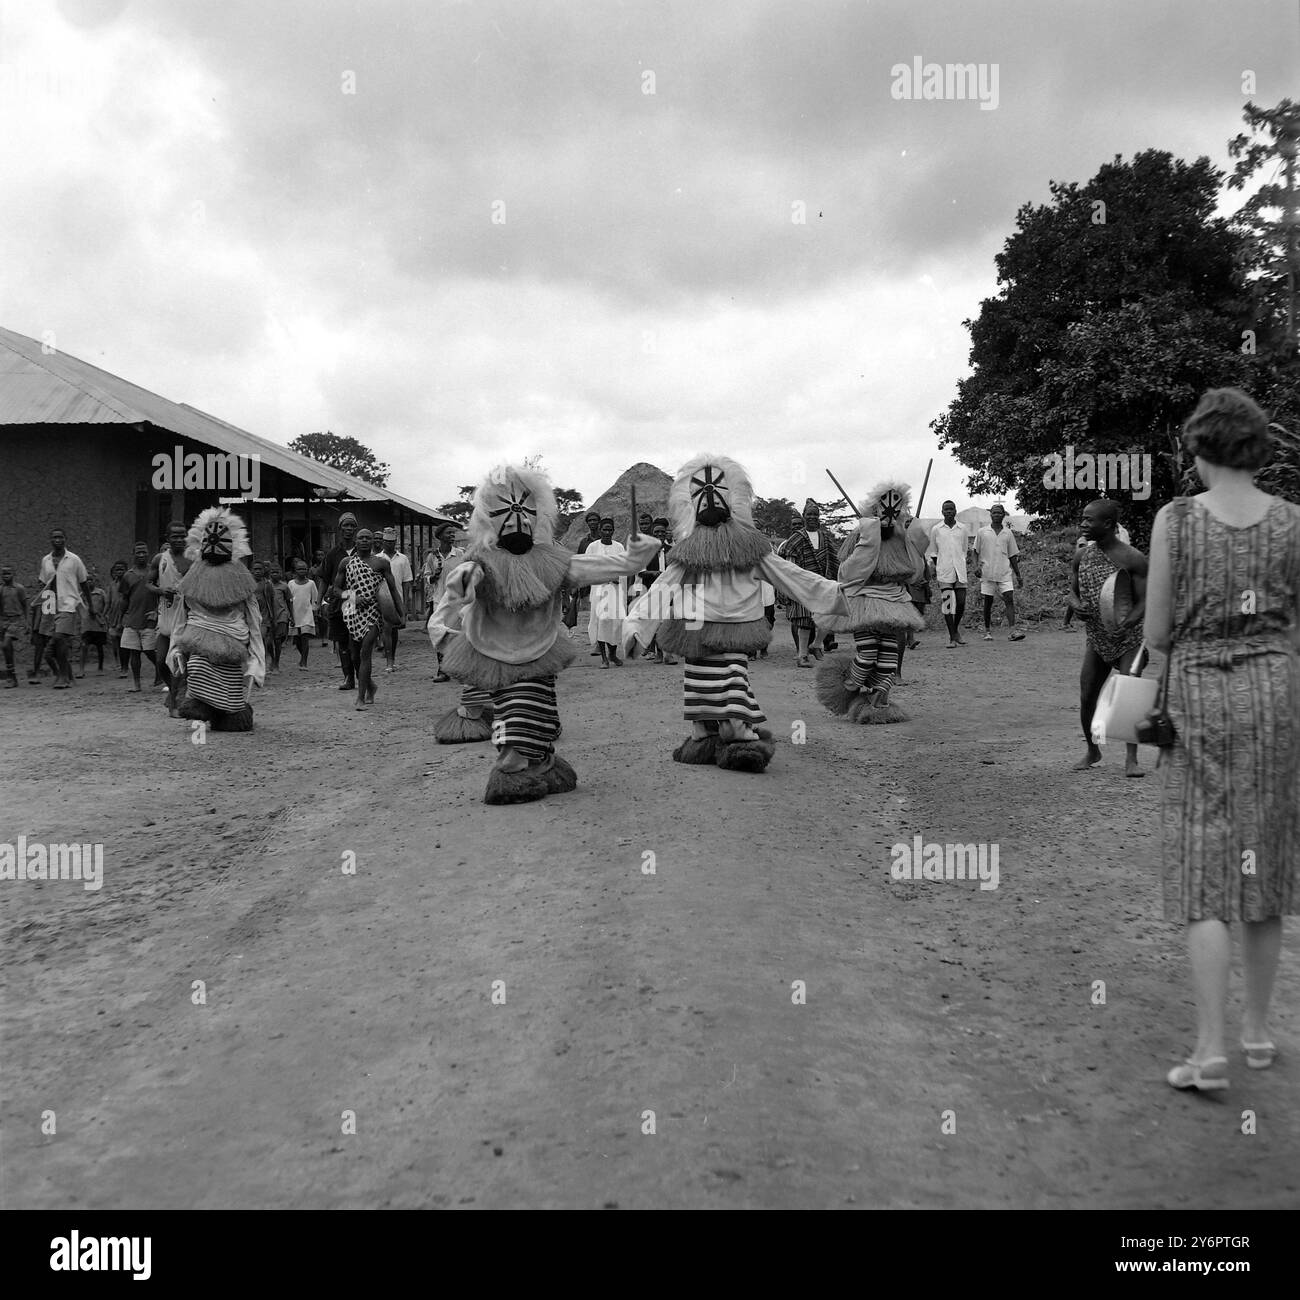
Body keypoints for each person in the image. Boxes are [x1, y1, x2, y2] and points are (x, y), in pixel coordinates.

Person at [1142, 389, 1299, 1093]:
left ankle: (1209, 1050)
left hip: (1200, 695)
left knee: (1203, 870)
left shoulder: (1174, 522)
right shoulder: (1294, 523)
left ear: (1200, 448)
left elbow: (1155, 635)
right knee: (1262, 866)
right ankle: (1259, 1033)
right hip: (1276, 695)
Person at [429, 465, 659, 803]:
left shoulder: (553, 561)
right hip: (497, 655)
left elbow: (601, 567)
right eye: (506, 512)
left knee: (543, 714)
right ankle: (510, 771)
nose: (517, 519)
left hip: (540, 652)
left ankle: (540, 762)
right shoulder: (481, 562)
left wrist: (635, 556)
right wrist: (451, 605)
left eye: (524, 512)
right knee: (516, 712)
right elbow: (463, 582)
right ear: (489, 519)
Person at [625, 454, 849, 772]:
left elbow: (788, 574)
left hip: (737, 627)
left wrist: (832, 592)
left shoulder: (749, 546)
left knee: (732, 681)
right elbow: (664, 587)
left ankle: (741, 738)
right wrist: (637, 626)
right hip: (696, 626)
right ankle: (704, 736)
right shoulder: (689, 551)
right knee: (699, 685)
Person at [817, 481, 927, 723]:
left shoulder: (903, 537)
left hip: (894, 603)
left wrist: (915, 539)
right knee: (868, 654)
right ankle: (850, 687)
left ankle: (877, 702)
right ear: (874, 509)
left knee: (888, 657)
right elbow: (846, 572)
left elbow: (915, 572)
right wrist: (869, 541)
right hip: (865, 601)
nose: (889, 514)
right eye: (884, 509)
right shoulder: (861, 534)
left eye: (895, 510)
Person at [167, 507, 266, 732]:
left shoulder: (239, 575)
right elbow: (182, 614)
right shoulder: (195, 575)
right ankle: (202, 704)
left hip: (233, 638)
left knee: (230, 680)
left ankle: (232, 712)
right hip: (199, 636)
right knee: (198, 666)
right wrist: (176, 647)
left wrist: (256, 655)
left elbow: (252, 618)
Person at [1068, 499, 1146, 777]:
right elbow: (1073, 591)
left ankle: (1131, 759)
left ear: (1109, 525)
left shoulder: (1133, 558)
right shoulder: (1082, 557)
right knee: (1088, 695)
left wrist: (1131, 621)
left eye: (1090, 520)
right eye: (1083, 519)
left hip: (1129, 640)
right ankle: (1093, 749)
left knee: (1130, 697)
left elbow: (1144, 599)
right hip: (1097, 638)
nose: (1083, 525)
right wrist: (1076, 606)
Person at [334, 527, 403, 710]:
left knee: (365, 653)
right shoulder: (346, 562)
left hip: (373, 610)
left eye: (368, 538)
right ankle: (370, 686)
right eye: (361, 538)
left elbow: (393, 589)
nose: (364, 540)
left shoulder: (381, 563)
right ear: (355, 542)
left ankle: (361, 698)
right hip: (350, 608)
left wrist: (400, 614)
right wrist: (353, 597)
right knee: (354, 655)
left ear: (373, 541)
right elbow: (335, 590)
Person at [778, 499, 840, 666]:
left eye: (815, 514)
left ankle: (817, 644)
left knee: (828, 617)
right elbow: (789, 564)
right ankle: (802, 656)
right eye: (809, 514)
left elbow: (834, 560)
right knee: (805, 622)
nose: (812, 517)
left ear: (819, 517)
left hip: (823, 584)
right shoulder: (796, 539)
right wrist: (793, 583)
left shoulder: (824, 537)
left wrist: (836, 579)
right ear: (804, 516)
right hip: (803, 585)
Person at [37, 528, 91, 689]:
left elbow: (83, 583)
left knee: (60, 638)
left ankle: (62, 677)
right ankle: (67, 675)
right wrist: (41, 607)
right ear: (50, 540)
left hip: (69, 605)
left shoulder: (74, 559)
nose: (57, 540)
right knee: (52, 645)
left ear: (65, 539)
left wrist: (90, 605)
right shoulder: (45, 560)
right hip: (50, 605)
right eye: (54, 537)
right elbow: (43, 584)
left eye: (60, 537)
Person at [148, 521, 192, 711]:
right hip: (165, 615)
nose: (180, 539)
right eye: (175, 536)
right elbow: (148, 584)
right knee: (160, 661)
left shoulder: (192, 559)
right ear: (167, 538)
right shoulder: (160, 559)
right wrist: (160, 590)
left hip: (185, 618)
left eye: (183, 535)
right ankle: (175, 691)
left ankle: (175, 701)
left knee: (177, 660)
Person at [320, 513, 359, 691]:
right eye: (346, 526)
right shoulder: (333, 554)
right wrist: (318, 602)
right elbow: (325, 579)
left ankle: (361, 676)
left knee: (356, 641)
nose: (349, 529)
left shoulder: (363, 551)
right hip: (339, 601)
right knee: (342, 642)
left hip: (359, 602)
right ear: (340, 528)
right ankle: (348, 678)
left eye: (352, 526)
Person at [974, 503, 1024, 640]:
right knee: (988, 601)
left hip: (1004, 572)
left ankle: (1013, 631)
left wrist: (1018, 575)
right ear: (990, 514)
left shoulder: (1007, 533)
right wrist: (976, 566)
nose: (996, 515)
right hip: (987, 571)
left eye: (999, 513)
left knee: (1009, 598)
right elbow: (975, 551)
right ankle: (987, 631)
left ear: (1003, 515)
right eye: (994, 513)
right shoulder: (982, 532)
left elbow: (1012, 555)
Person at [926, 500, 973, 648]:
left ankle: (955, 630)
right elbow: (934, 551)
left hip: (959, 571)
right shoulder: (936, 529)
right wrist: (940, 565)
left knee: (960, 603)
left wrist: (959, 561)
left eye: (951, 509)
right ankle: (952, 637)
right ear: (942, 512)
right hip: (944, 572)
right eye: (946, 509)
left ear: (955, 511)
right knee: (947, 605)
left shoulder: (962, 529)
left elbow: (964, 549)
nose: (949, 512)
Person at [423, 525, 463, 682]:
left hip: (457, 600)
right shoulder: (432, 557)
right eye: (449, 533)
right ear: (439, 537)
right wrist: (432, 577)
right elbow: (426, 575)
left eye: (453, 533)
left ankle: (459, 667)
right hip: (439, 599)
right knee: (440, 633)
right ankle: (442, 669)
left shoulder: (460, 554)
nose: (452, 535)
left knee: (457, 633)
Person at [119, 541, 160, 693]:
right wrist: (121, 617)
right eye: (138, 552)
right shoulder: (127, 576)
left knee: (150, 651)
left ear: (148, 553)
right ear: (133, 554)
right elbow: (124, 599)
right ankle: (137, 684)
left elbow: (161, 594)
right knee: (133, 652)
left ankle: (162, 672)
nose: (141, 555)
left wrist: (156, 611)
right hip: (132, 619)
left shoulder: (154, 572)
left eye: (144, 552)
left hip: (150, 620)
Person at [586, 518, 627, 668]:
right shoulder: (592, 547)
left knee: (615, 623)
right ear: (600, 530)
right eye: (605, 529)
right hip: (599, 591)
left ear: (613, 531)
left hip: (616, 591)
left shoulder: (619, 547)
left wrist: (618, 578)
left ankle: (613, 655)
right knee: (602, 622)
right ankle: (604, 658)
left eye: (610, 530)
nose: (607, 533)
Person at [379, 527, 413, 672]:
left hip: (397, 597)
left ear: (396, 542)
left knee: (394, 630)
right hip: (382, 598)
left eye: (392, 542)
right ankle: (389, 662)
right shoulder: (378, 558)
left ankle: (391, 657)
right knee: (386, 629)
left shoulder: (403, 559)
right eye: (387, 542)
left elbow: (407, 582)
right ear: (383, 542)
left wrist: (405, 602)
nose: (390, 544)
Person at [288, 558, 320, 668]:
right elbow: (289, 600)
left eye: (304, 569)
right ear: (295, 570)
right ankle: (302, 657)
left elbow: (315, 599)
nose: (302, 571)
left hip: (307, 614)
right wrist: (289, 615)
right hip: (295, 614)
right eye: (299, 569)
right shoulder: (291, 584)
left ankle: (304, 662)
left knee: (305, 638)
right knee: (297, 640)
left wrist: (315, 613)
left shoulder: (311, 583)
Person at [1, 565, 28, 687]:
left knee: (6, 644)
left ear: (13, 574)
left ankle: (11, 675)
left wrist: (27, 622)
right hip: (5, 621)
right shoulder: (1, 589)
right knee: (6, 648)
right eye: (4, 574)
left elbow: (25, 606)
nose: (6, 576)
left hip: (16, 621)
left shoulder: (19, 588)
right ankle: (12, 676)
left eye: (8, 573)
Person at [78, 568, 108, 676]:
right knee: (84, 645)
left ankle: (100, 667)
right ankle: (81, 670)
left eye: (91, 580)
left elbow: (107, 604)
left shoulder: (100, 593)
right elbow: (78, 607)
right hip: (87, 625)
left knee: (99, 646)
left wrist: (102, 616)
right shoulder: (81, 595)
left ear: (94, 581)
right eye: (87, 580)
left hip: (99, 624)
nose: (89, 582)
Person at [105, 559, 128, 675]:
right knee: (114, 640)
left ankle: (125, 665)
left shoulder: (128, 584)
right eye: (117, 569)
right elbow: (108, 602)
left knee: (124, 642)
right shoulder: (111, 585)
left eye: (121, 569)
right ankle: (117, 662)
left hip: (124, 616)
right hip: (113, 617)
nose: (119, 572)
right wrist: (104, 614)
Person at [1063, 534, 1088, 631]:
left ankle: (1066, 622)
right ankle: (1066, 622)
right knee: (1075, 593)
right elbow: (1082, 551)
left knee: (1076, 594)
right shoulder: (1083, 540)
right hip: (1082, 569)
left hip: (1085, 568)